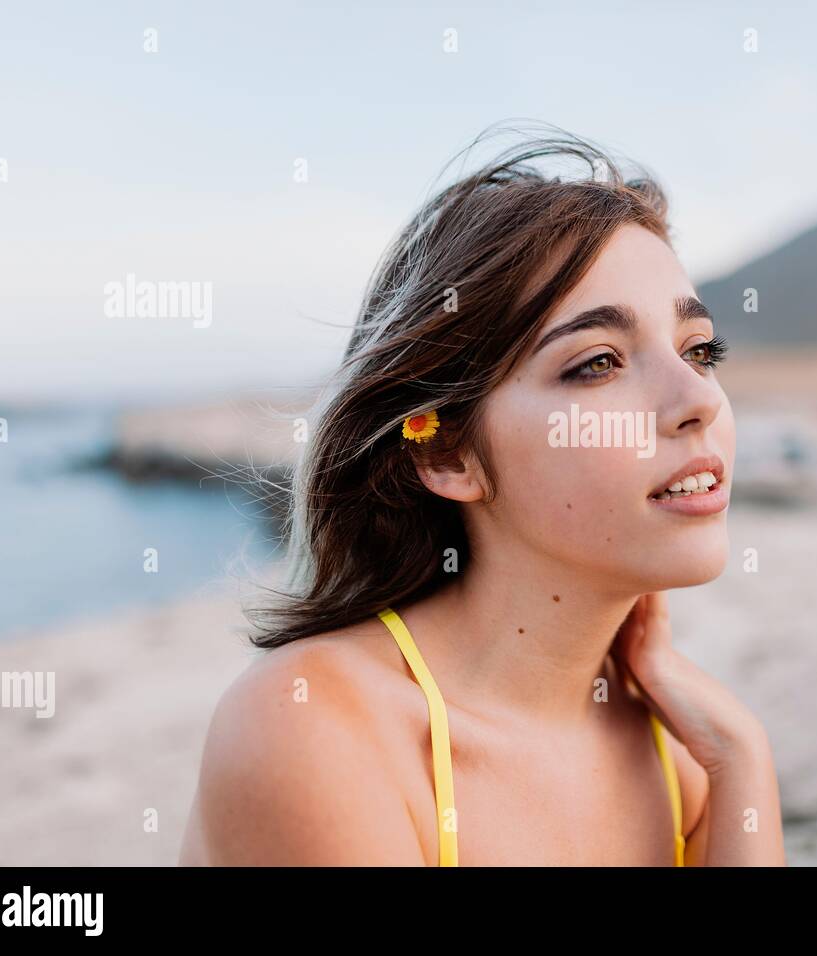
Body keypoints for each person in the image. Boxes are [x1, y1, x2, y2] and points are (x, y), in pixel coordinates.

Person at [178, 122, 785, 866]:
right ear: (448, 451)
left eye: (699, 349)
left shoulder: (686, 759)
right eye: (598, 363)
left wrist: (742, 758)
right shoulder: (315, 727)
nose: (697, 397)